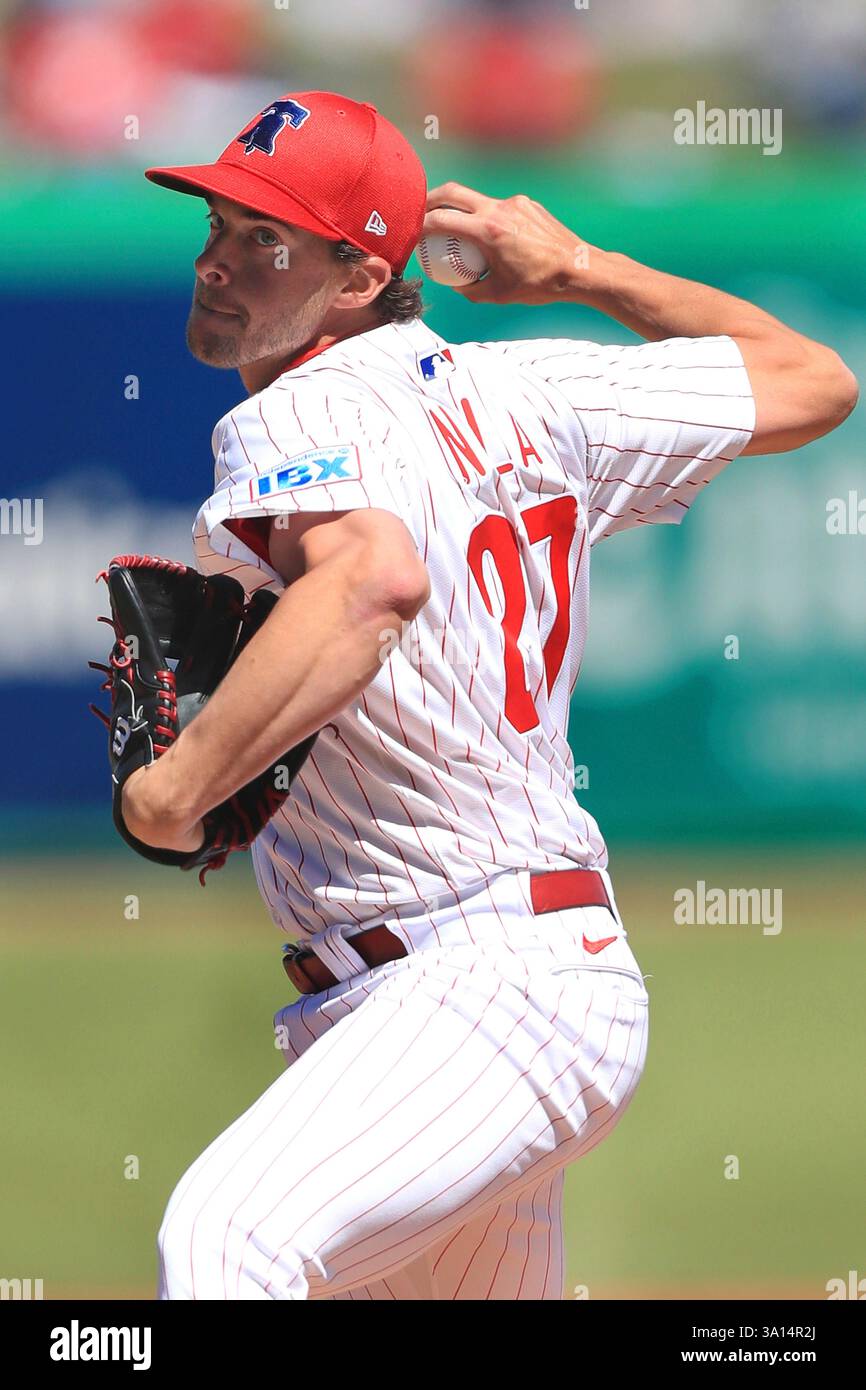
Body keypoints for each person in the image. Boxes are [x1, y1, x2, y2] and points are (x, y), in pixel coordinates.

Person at [123, 90, 857, 1300]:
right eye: (220, 222)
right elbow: (810, 378)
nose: (217, 262)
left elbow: (368, 583)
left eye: (268, 241)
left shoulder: (297, 407)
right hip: (502, 986)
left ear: (359, 275)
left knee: (227, 1244)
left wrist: (175, 791)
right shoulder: (534, 393)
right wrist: (582, 268)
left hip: (471, 985)